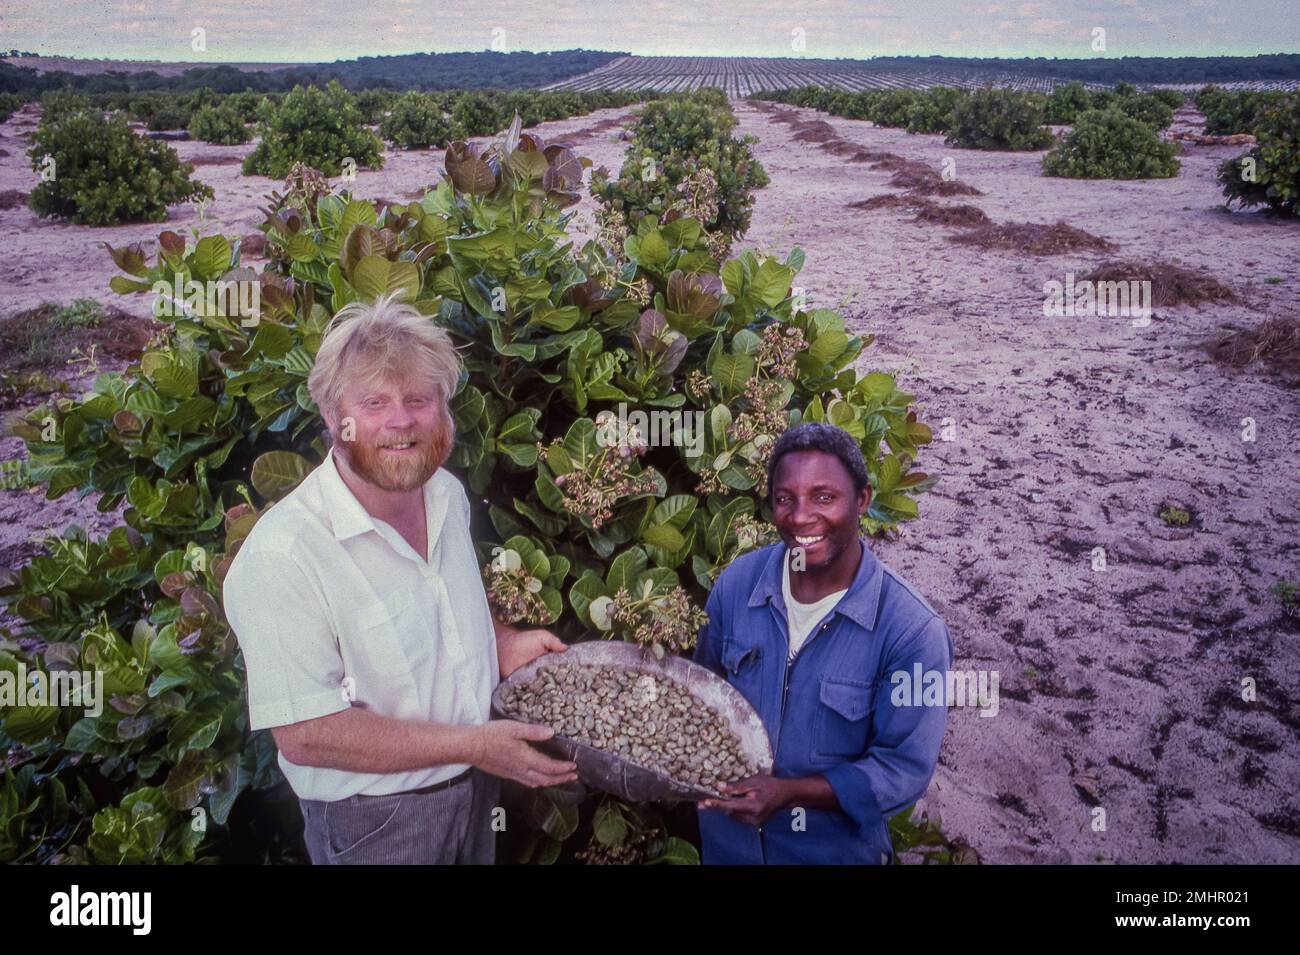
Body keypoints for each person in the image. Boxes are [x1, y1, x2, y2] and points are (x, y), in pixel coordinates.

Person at [222, 293, 577, 865]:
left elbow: (436, 602)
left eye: (419, 399)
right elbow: (307, 733)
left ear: (445, 413)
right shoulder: (283, 556)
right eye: (374, 401)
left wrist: (502, 641)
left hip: (475, 790)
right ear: (337, 420)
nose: (401, 420)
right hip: (378, 825)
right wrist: (476, 745)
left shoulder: (444, 495)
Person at [693, 422, 953, 864]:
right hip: (727, 850)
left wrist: (788, 794)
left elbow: (902, 770)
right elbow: (700, 697)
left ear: (863, 500)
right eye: (784, 498)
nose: (800, 516)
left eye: (824, 497)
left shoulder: (911, 630)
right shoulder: (736, 586)